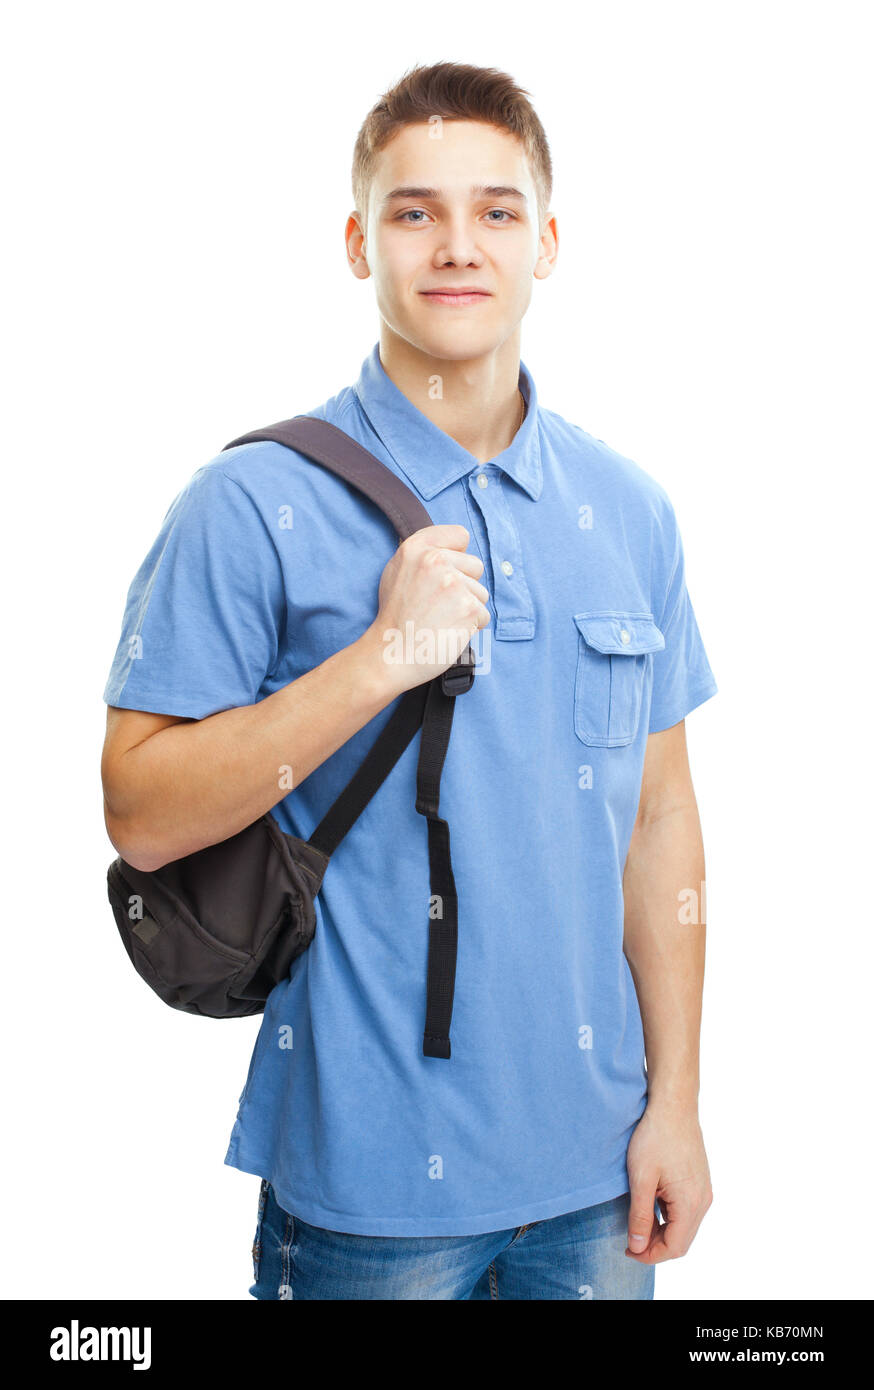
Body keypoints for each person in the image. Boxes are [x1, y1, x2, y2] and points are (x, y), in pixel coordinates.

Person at [101, 61, 717, 1300]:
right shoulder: (250, 503)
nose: (457, 246)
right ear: (355, 240)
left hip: (596, 1176)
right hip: (368, 1193)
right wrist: (380, 661)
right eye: (412, 210)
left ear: (546, 243)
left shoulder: (628, 510)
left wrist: (680, 1104)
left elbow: (658, 822)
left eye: (496, 211)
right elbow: (141, 809)